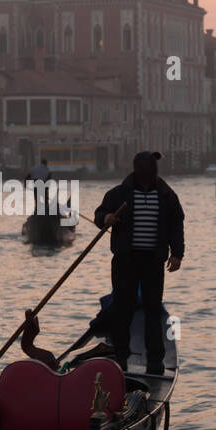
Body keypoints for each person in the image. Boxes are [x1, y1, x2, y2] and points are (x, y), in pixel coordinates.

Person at [94, 151, 185, 375]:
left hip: (153, 262)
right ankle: (121, 359)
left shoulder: (166, 195)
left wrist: (177, 254)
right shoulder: (120, 193)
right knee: (122, 310)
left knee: (153, 311)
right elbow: (100, 213)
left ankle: (155, 362)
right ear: (138, 169)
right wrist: (106, 219)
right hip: (126, 260)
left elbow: (176, 225)